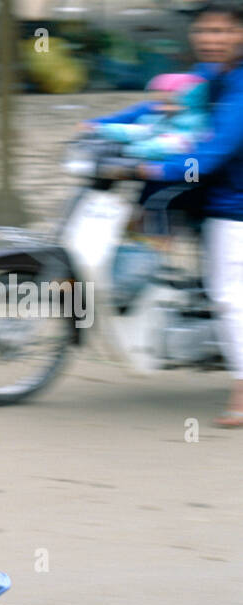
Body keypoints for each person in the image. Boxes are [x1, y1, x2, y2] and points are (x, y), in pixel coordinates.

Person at [89, 3, 243, 425]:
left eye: (222, 31)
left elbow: (211, 153)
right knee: (144, 213)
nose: (211, 39)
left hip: (235, 203)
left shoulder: (240, 87)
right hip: (209, 195)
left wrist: (150, 166)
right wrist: (100, 126)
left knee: (230, 294)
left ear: (240, 35)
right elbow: (162, 109)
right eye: (205, 30)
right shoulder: (209, 76)